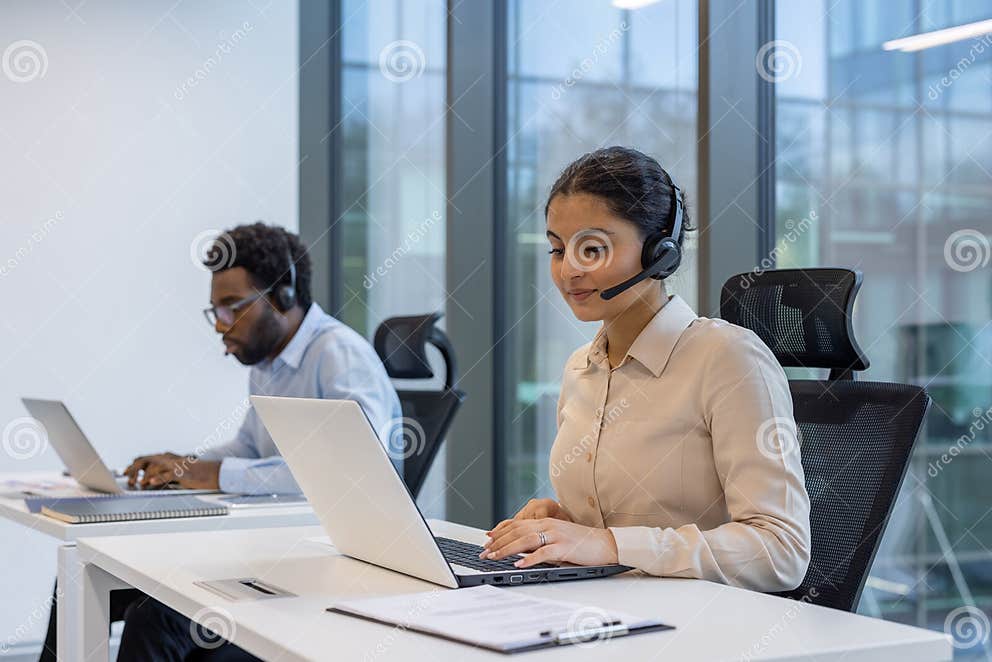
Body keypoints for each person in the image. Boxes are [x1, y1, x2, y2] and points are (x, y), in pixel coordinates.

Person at [39, 222, 402, 661]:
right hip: (276, 551)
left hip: (326, 570)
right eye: (216, 311)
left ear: (282, 296)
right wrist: (182, 465)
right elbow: (248, 448)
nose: (221, 325)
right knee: (81, 574)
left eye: (233, 306)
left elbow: (350, 476)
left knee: (153, 617)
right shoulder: (268, 366)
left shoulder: (339, 356)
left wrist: (209, 472)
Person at [480, 146, 811, 592]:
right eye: (558, 250)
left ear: (660, 251)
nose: (570, 270)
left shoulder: (727, 359)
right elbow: (612, 531)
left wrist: (612, 545)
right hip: (604, 614)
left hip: (700, 632)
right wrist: (565, 524)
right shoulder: (581, 369)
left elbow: (781, 551)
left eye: (592, 248)